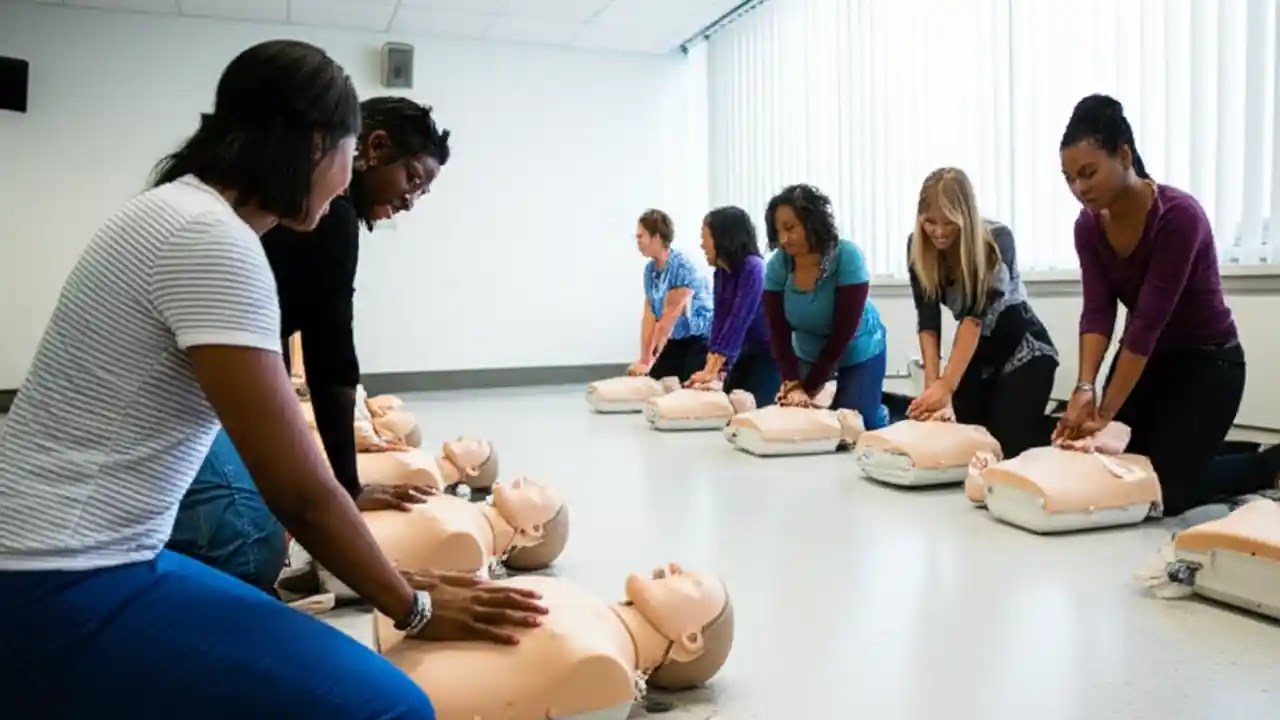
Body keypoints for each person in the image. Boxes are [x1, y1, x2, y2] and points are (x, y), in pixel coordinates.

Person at [0, 40, 544, 719]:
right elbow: (298, 492)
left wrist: (389, 574)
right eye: (348, 152)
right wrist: (413, 606)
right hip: (53, 580)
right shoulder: (214, 241)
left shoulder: (178, 209)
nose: (349, 177)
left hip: (69, 553)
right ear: (321, 144)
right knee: (396, 709)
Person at [168, 96, 452, 593]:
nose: (410, 202)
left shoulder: (199, 204)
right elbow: (330, 356)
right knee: (251, 544)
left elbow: (280, 341)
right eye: (413, 181)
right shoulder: (326, 216)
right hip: (174, 417)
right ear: (367, 148)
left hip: (184, 410)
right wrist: (345, 489)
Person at [1054, 94, 1263, 516]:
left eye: (1088, 173)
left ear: (1125, 155)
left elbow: (1146, 324)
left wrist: (1106, 410)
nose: (1079, 188)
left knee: (1162, 492)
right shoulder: (1088, 227)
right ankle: (1200, 450)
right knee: (1110, 467)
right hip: (1151, 363)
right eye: (1069, 178)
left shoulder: (1178, 217)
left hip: (1208, 364)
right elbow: (1097, 312)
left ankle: (1266, 464)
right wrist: (1085, 388)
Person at [905, 168, 1058, 457]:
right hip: (980, 357)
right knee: (971, 438)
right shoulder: (917, 246)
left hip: (1025, 351)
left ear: (965, 216)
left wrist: (948, 385)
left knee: (1008, 442)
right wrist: (932, 387)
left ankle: (1069, 430)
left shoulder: (997, 240)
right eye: (930, 222)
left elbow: (973, 320)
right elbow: (928, 322)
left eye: (948, 222)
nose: (938, 231)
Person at [761, 184, 889, 428]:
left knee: (854, 423)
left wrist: (809, 388)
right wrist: (792, 383)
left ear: (812, 224)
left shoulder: (848, 256)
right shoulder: (779, 265)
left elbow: (842, 335)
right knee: (801, 418)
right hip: (808, 351)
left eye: (790, 228)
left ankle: (881, 412)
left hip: (856, 347)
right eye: (778, 231)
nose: (784, 239)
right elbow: (777, 331)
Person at [686, 206, 780, 407]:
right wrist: (710, 369)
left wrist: (713, 372)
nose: (702, 245)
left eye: (705, 237)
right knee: (726, 402)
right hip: (745, 353)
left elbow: (738, 321)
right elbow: (720, 322)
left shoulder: (754, 268)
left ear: (722, 237)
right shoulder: (721, 273)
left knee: (749, 405)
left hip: (770, 355)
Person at [627, 209, 714, 383]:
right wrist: (644, 358)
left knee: (688, 384)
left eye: (640, 236)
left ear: (657, 237)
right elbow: (650, 315)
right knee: (655, 381)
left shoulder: (681, 265)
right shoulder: (650, 271)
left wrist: (651, 359)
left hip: (700, 339)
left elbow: (669, 316)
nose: (638, 242)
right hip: (677, 340)